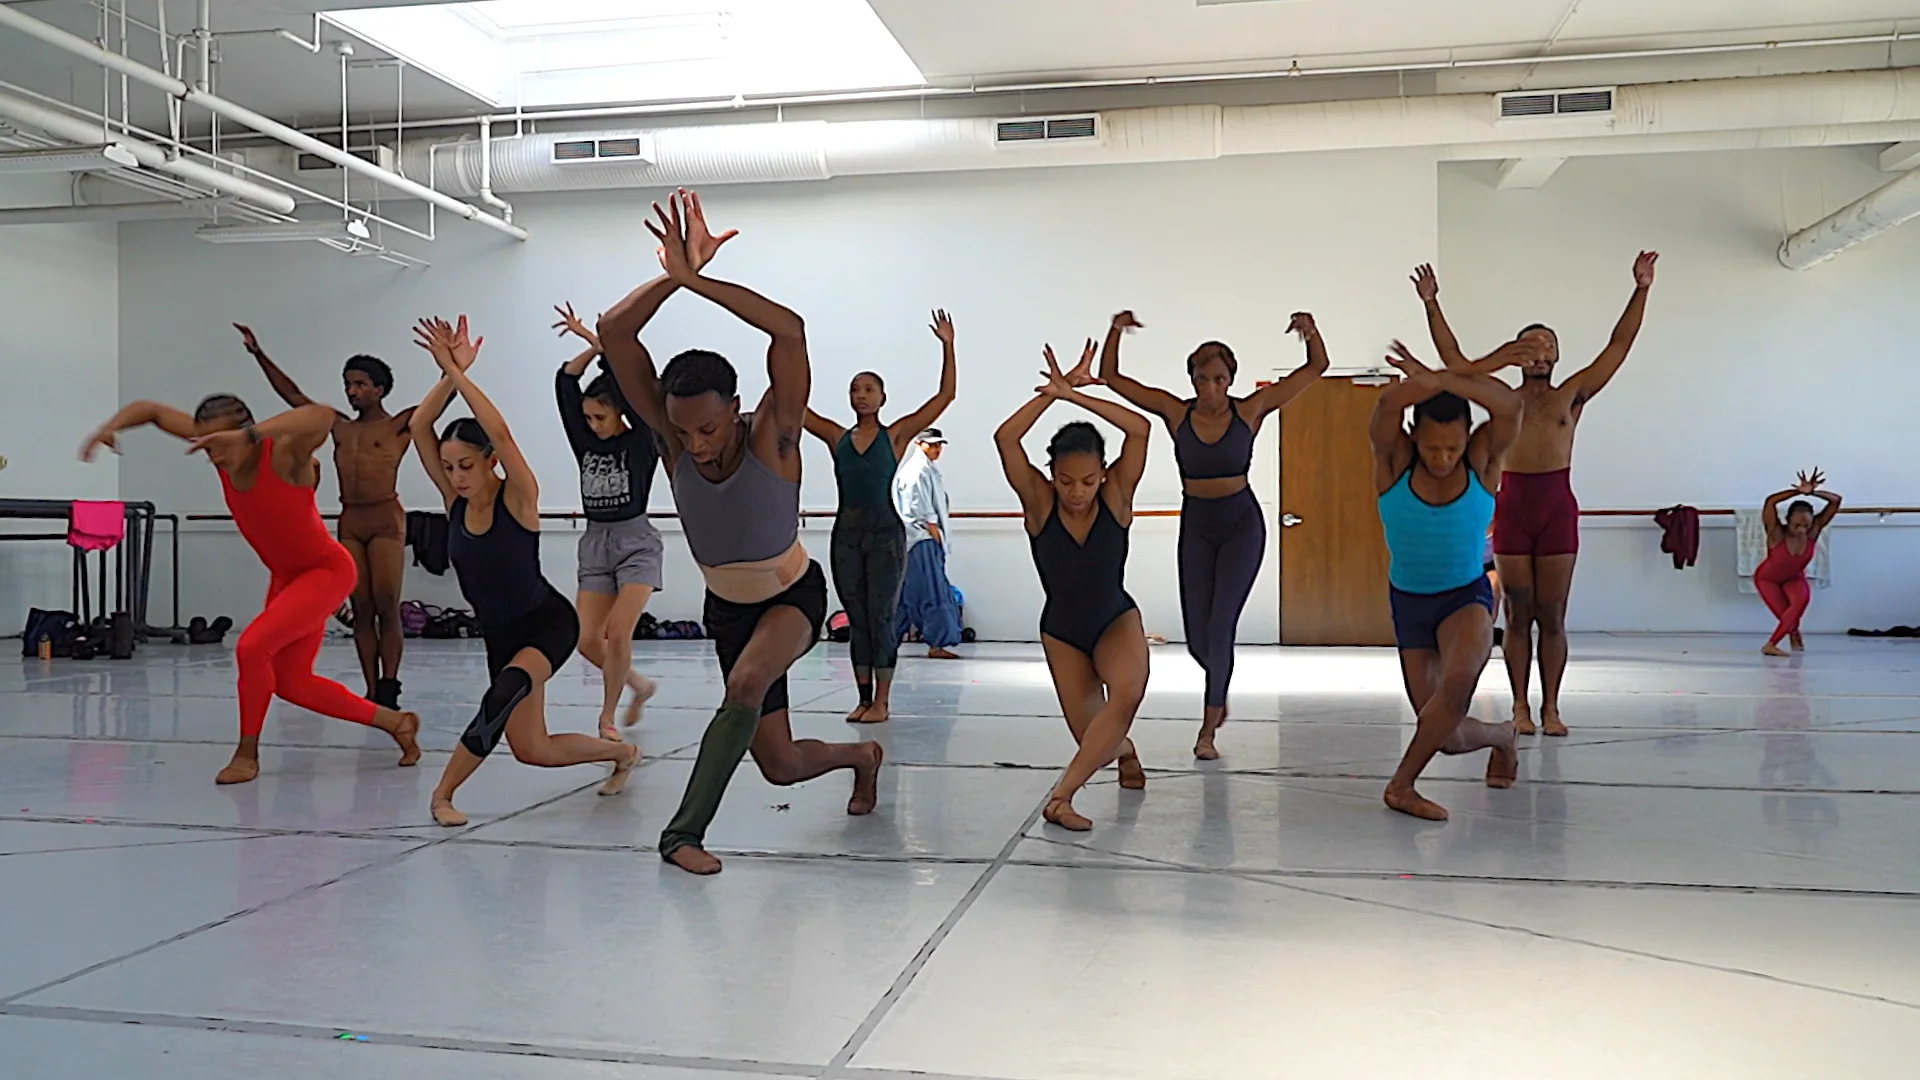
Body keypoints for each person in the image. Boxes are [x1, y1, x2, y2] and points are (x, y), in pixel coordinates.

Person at [599, 188, 883, 876]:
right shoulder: (673, 439)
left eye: (708, 427)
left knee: (747, 684)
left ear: (734, 407)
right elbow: (614, 333)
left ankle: (681, 835)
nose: (695, 444)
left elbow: (788, 331)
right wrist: (672, 278)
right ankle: (861, 757)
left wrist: (701, 281)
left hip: (792, 597)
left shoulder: (774, 434)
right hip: (727, 610)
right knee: (780, 765)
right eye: (684, 430)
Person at [80, 395, 421, 785]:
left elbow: (323, 416)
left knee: (252, 647)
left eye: (223, 444)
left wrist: (251, 435)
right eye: (207, 445)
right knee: (291, 683)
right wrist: (109, 427)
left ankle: (247, 754)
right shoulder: (219, 447)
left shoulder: (284, 456)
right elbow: (153, 411)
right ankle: (397, 723)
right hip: (287, 577)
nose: (214, 455)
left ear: (246, 435)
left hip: (325, 571)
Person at [1412, 252, 1659, 736]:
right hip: (1513, 508)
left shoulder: (1572, 394)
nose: (1541, 354)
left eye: (1549, 346)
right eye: (1531, 346)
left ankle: (1552, 708)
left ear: (1558, 356)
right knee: (1517, 611)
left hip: (1556, 509)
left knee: (1553, 614)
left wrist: (1641, 289)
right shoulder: (1503, 400)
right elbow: (1456, 363)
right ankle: (1520, 707)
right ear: (1518, 355)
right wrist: (1431, 303)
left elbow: (1618, 345)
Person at [407, 315, 639, 828]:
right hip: (499, 634)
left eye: (467, 465)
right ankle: (621, 754)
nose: (456, 476)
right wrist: (449, 375)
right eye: (449, 467)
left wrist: (461, 374)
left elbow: (502, 433)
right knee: (533, 749)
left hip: (545, 624)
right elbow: (419, 428)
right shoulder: (454, 502)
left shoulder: (518, 496)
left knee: (501, 695)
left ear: (490, 461)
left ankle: (443, 795)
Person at [1096, 309, 1329, 760]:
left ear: (1230, 380)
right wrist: (1115, 331)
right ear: (1192, 380)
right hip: (1198, 524)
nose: (1210, 389)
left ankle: (1207, 729)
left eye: (1219, 379)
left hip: (1241, 524)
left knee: (1221, 624)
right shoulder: (1175, 412)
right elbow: (1112, 378)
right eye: (1202, 379)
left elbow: (1316, 367)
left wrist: (1311, 332)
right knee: (1198, 638)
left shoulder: (1251, 410)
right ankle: (1218, 685)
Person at [1368, 340, 1532, 821]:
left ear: (1469, 439)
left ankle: (1401, 786)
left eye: (1453, 448)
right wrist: (1433, 380)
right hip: (1410, 603)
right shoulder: (1395, 459)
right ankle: (1502, 736)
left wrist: (1447, 376)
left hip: (1466, 596)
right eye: (1432, 447)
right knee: (1447, 735)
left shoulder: (1481, 459)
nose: (1442, 458)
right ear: (1413, 436)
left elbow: (1510, 406)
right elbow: (1387, 404)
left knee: (1457, 688)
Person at [995, 341, 1152, 832]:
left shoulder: (1117, 495)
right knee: (1098, 740)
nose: (1077, 492)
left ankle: (1060, 798)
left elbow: (1140, 428)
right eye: (1065, 481)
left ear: (1103, 473)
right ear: (1052, 476)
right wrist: (1052, 395)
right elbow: (1005, 438)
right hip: (1063, 630)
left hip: (1114, 618)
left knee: (1127, 692)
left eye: (1087, 481)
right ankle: (1125, 752)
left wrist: (1077, 395)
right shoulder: (1039, 503)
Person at [234, 326, 415, 708]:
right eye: (348, 384)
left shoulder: (398, 425)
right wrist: (259, 354)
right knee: (362, 609)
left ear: (380, 389)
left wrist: (452, 367)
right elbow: (294, 397)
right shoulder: (339, 425)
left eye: (361, 384)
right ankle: (371, 689)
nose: (352, 391)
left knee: (386, 604)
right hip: (351, 519)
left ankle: (390, 684)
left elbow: (438, 403)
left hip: (385, 518)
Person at [803, 311, 958, 723]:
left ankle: (883, 702)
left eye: (869, 389)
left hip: (886, 535)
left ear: (883, 398)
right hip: (847, 536)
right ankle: (863, 697)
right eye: (855, 390)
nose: (861, 395)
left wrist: (948, 346)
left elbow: (945, 397)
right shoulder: (837, 437)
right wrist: (788, 350)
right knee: (857, 619)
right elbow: (794, 405)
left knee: (882, 617)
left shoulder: (896, 436)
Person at [550, 301, 664, 741]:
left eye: (600, 416)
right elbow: (565, 381)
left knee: (618, 632)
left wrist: (610, 352)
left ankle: (607, 717)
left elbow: (637, 393)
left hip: (636, 542)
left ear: (619, 412)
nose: (593, 424)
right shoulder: (585, 441)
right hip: (596, 543)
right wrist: (593, 346)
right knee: (585, 640)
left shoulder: (642, 442)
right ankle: (639, 685)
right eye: (588, 417)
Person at [893, 427, 964, 658]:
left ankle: (886, 641)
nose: (937, 449)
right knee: (932, 591)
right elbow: (920, 509)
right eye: (932, 444)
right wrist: (935, 534)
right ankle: (937, 643)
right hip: (921, 540)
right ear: (919, 443)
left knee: (906, 593)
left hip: (917, 540)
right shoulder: (916, 472)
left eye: (939, 445)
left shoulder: (925, 470)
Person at [1757, 470, 1842, 657]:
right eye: (1798, 525)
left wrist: (1812, 493)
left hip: (1794, 577)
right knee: (1789, 619)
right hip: (1768, 580)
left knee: (1799, 604)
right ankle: (1792, 634)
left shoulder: (1814, 531)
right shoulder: (1776, 532)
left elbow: (1836, 501)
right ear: (1788, 520)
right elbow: (1770, 502)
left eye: (1806, 525)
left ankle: (1771, 644)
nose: (1803, 530)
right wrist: (1797, 492)